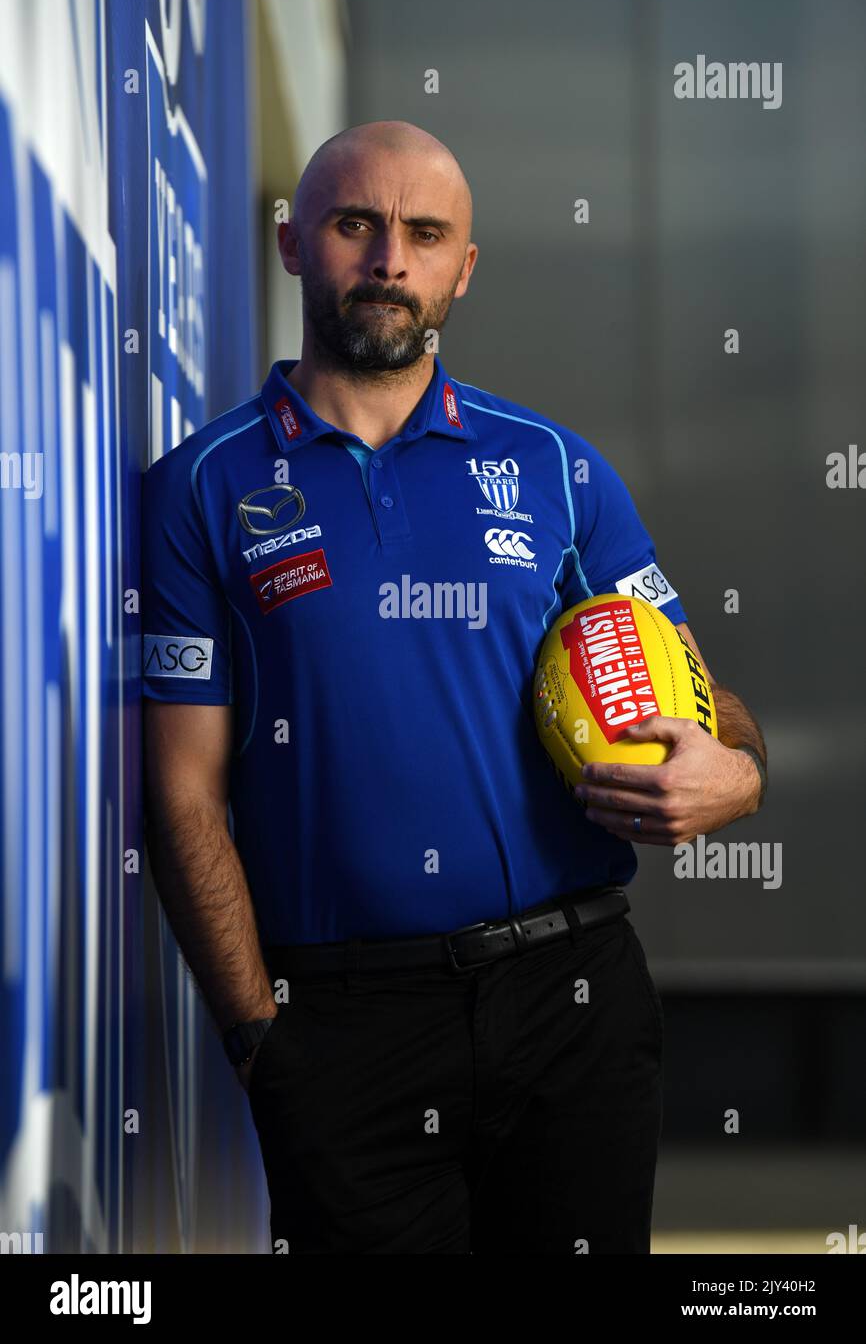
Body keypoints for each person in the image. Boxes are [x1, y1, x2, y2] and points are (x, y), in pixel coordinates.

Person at [141, 119, 767, 1254]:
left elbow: (702, 699)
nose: (389, 259)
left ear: (461, 270)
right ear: (291, 243)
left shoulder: (553, 469)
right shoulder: (200, 487)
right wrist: (257, 1040)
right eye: (354, 225)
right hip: (340, 1024)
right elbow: (183, 797)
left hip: (569, 998)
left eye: (424, 235)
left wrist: (736, 772)